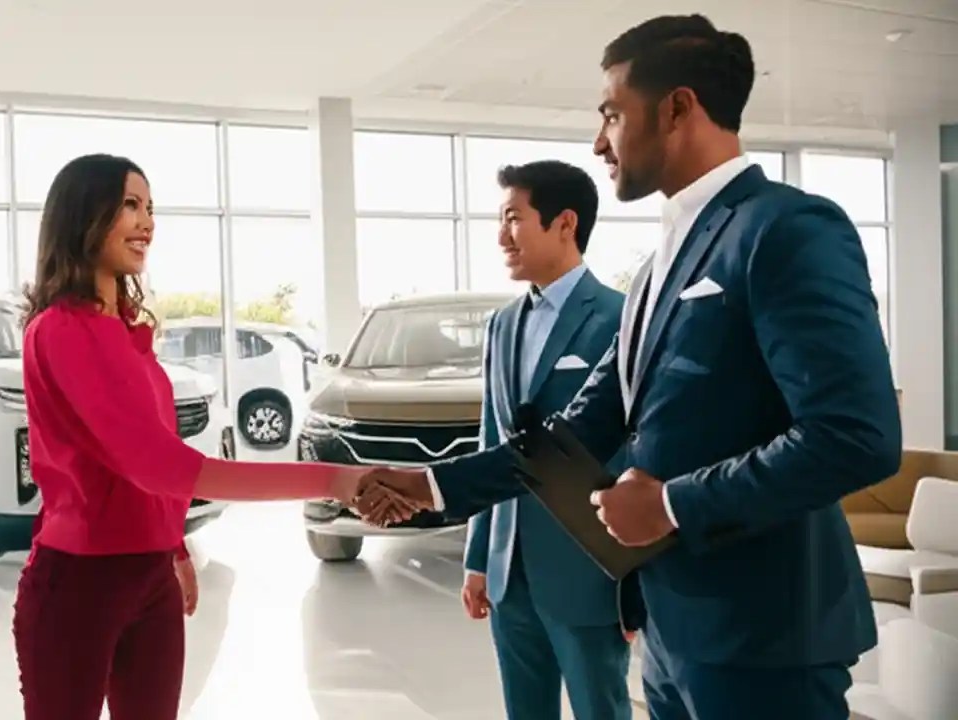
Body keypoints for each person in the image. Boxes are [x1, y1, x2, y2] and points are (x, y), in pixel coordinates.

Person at [355, 14, 900, 720]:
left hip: (764, 638)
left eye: (611, 113)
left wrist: (673, 503)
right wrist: (430, 486)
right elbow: (572, 435)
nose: (598, 141)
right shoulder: (652, 272)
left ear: (678, 107)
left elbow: (855, 436)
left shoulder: (788, 228)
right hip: (671, 634)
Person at [12, 153, 368, 720]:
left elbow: (140, 464)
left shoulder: (127, 333)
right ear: (84, 214)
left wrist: (173, 545)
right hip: (79, 584)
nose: (146, 221)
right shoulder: (60, 330)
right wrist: (335, 479)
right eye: (130, 205)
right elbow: (158, 465)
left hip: (149, 576)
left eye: (150, 207)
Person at [462, 160, 631, 720]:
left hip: (588, 566)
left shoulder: (620, 318)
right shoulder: (502, 325)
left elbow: (637, 447)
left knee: (599, 709)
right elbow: (492, 438)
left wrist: (634, 579)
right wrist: (479, 557)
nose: (502, 235)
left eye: (514, 218)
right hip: (512, 573)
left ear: (564, 223)